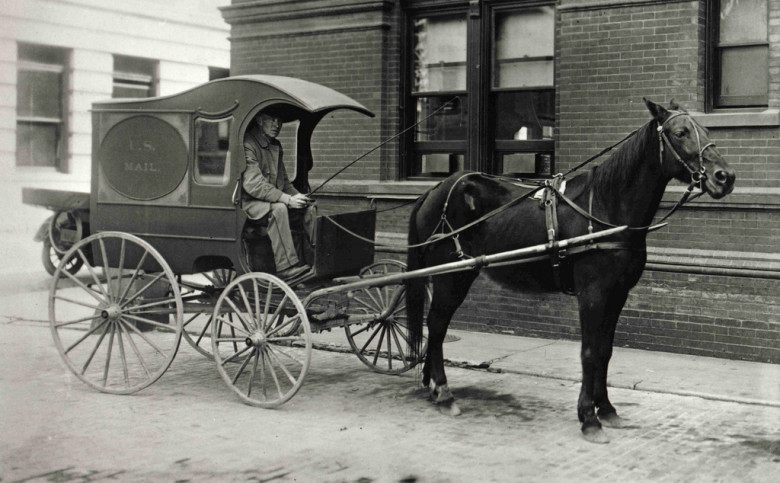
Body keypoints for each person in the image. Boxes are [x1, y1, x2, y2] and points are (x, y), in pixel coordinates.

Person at [242, 107, 314, 280]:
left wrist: (299, 198)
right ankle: (286, 267)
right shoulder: (248, 144)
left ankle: (311, 261)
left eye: (279, 121)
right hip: (249, 204)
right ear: (260, 120)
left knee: (309, 208)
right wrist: (287, 200)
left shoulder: (275, 145)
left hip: (269, 200)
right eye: (272, 120)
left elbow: (284, 182)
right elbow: (253, 184)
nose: (277, 125)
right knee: (280, 209)